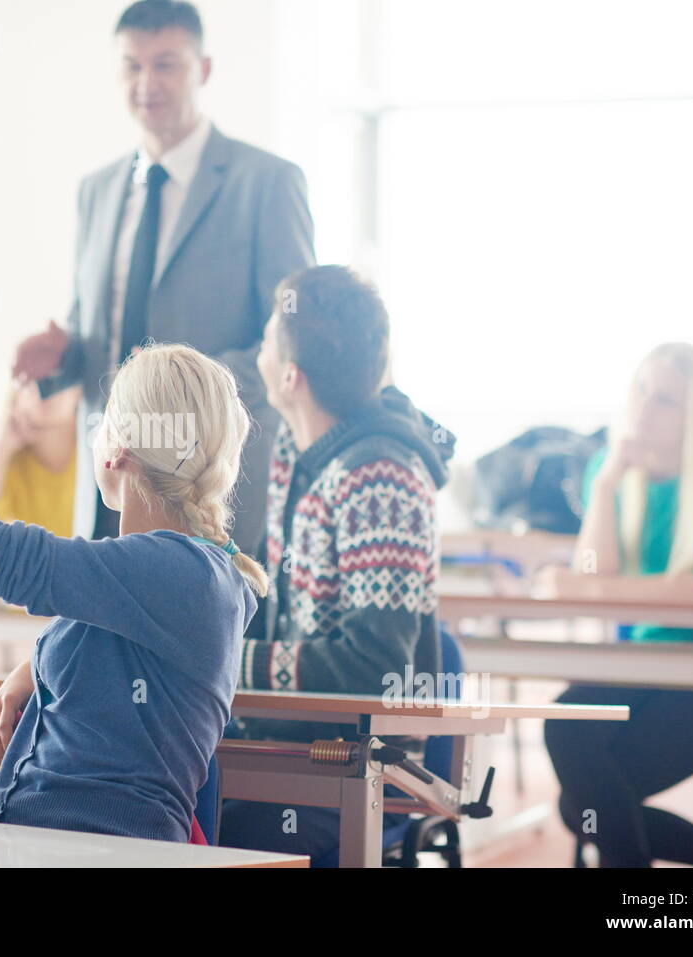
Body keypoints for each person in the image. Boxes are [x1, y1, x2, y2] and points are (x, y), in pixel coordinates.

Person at [0, 324, 265, 842]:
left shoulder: (173, 570)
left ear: (116, 450)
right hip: (50, 841)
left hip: (79, 847)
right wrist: (36, 668)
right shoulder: (193, 571)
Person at [12, 0, 315, 551]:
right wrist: (61, 358)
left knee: (208, 635)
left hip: (210, 483)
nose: (147, 82)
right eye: (132, 65)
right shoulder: (96, 190)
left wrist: (182, 407)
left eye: (166, 64)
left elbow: (292, 338)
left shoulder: (267, 182)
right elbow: (96, 331)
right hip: (112, 478)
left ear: (203, 70)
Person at [212, 265, 454, 864]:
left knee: (178, 822)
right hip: (289, 750)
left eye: (267, 341)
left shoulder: (380, 477)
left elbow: (374, 667)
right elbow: (275, 612)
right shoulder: (301, 454)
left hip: (358, 774)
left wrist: (223, 658)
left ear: (290, 376)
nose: (258, 352)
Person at [539, 342, 693, 867]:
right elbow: (592, 573)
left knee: (584, 801)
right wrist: (605, 486)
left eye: (666, 400)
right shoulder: (612, 465)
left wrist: (583, 589)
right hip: (655, 661)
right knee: (565, 727)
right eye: (642, 393)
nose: (644, 410)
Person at [0, 381, 80, 537]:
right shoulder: (8, 465)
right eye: (33, 379)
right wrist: (0, 447)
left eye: (59, 375)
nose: (45, 388)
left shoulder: (101, 450)